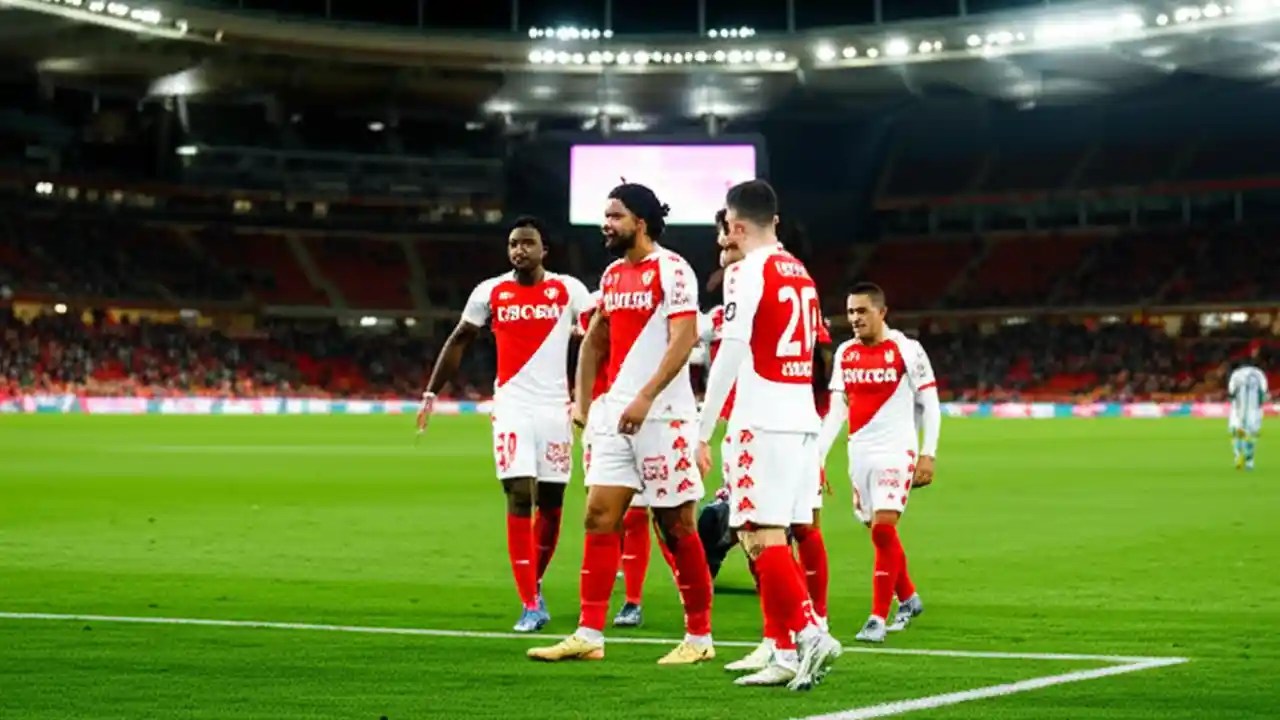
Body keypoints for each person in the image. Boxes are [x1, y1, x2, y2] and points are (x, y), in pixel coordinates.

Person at [528, 183, 715, 664]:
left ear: (641, 222)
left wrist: (646, 397)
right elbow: (595, 339)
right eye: (606, 215)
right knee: (599, 516)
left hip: (664, 416)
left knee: (676, 525)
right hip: (615, 415)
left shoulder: (673, 270)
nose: (605, 224)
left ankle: (699, 638)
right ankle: (589, 634)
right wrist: (583, 403)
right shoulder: (612, 276)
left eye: (615, 216)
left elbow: (684, 338)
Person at [696, 179, 841, 690]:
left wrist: (703, 427)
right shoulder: (800, 272)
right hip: (800, 418)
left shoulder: (746, 271)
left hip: (761, 418)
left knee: (758, 533)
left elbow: (733, 348)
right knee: (775, 531)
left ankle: (809, 632)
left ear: (735, 226)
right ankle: (782, 650)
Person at [417, 216, 592, 633]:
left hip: (555, 408)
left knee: (551, 501)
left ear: (544, 250)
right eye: (513, 243)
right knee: (519, 494)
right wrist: (431, 392)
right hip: (512, 405)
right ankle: (530, 603)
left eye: (527, 243)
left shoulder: (569, 290)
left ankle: (535, 583)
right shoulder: (490, 292)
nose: (519, 250)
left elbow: (597, 337)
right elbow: (459, 339)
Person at [817, 282, 941, 643]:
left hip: (896, 450)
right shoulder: (845, 353)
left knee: (884, 530)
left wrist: (928, 453)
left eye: (862, 311)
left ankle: (876, 618)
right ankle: (909, 597)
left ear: (882, 312)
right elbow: (837, 410)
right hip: (860, 452)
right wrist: (817, 457)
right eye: (850, 312)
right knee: (877, 531)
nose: (855, 318)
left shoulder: (907, 349)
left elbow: (930, 404)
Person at [574, 293, 678, 628]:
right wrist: (582, 406)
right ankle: (599, 605)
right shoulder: (597, 305)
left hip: (643, 416)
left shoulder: (655, 303)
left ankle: (636, 599)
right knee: (603, 513)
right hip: (601, 419)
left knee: (647, 515)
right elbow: (590, 347)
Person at [1229, 352, 1269, 471]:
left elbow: (1231, 392)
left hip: (1237, 410)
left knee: (1237, 433)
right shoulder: (1259, 374)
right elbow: (1264, 392)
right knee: (1252, 435)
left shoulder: (1236, 374)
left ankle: (1237, 456)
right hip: (1254, 411)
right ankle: (1249, 461)